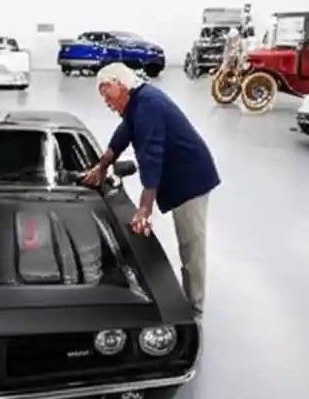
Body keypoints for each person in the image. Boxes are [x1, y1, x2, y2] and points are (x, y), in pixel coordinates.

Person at [82, 63, 220, 316]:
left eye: (106, 91)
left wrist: (145, 208)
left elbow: (151, 155)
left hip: (190, 178)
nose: (105, 100)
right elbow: (123, 134)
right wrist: (101, 167)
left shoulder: (148, 105)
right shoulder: (137, 102)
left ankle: (194, 307)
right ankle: (192, 301)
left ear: (120, 84)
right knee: (189, 242)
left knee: (191, 244)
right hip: (177, 174)